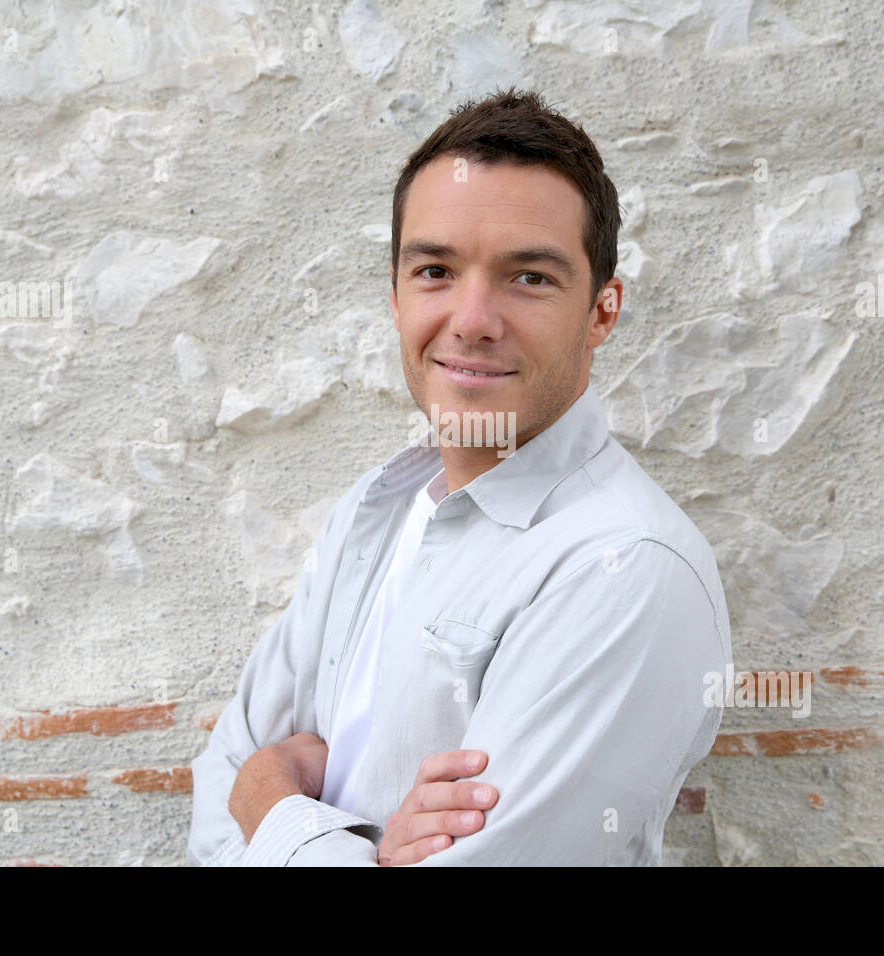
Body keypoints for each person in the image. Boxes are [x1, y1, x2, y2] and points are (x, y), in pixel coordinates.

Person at [186, 86, 733, 866]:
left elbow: (246, 790)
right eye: (436, 269)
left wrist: (274, 801)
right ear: (396, 294)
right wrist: (356, 844)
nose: (472, 318)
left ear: (603, 311)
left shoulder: (627, 570)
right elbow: (218, 794)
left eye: (529, 277)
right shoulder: (375, 513)